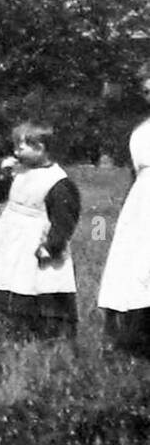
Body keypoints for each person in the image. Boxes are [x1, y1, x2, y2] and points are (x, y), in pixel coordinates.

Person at [0, 120, 81, 339]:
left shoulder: (58, 182)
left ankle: (40, 328)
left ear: (42, 148)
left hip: (35, 239)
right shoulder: (18, 171)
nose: (17, 150)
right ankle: (1, 318)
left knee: (34, 280)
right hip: (8, 234)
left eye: (24, 146)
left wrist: (52, 245)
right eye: (16, 145)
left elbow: (64, 220)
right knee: (1, 273)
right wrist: (1, 173)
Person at [98, 61, 150, 357]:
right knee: (138, 268)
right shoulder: (141, 132)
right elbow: (136, 176)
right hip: (143, 206)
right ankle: (136, 337)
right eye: (146, 91)